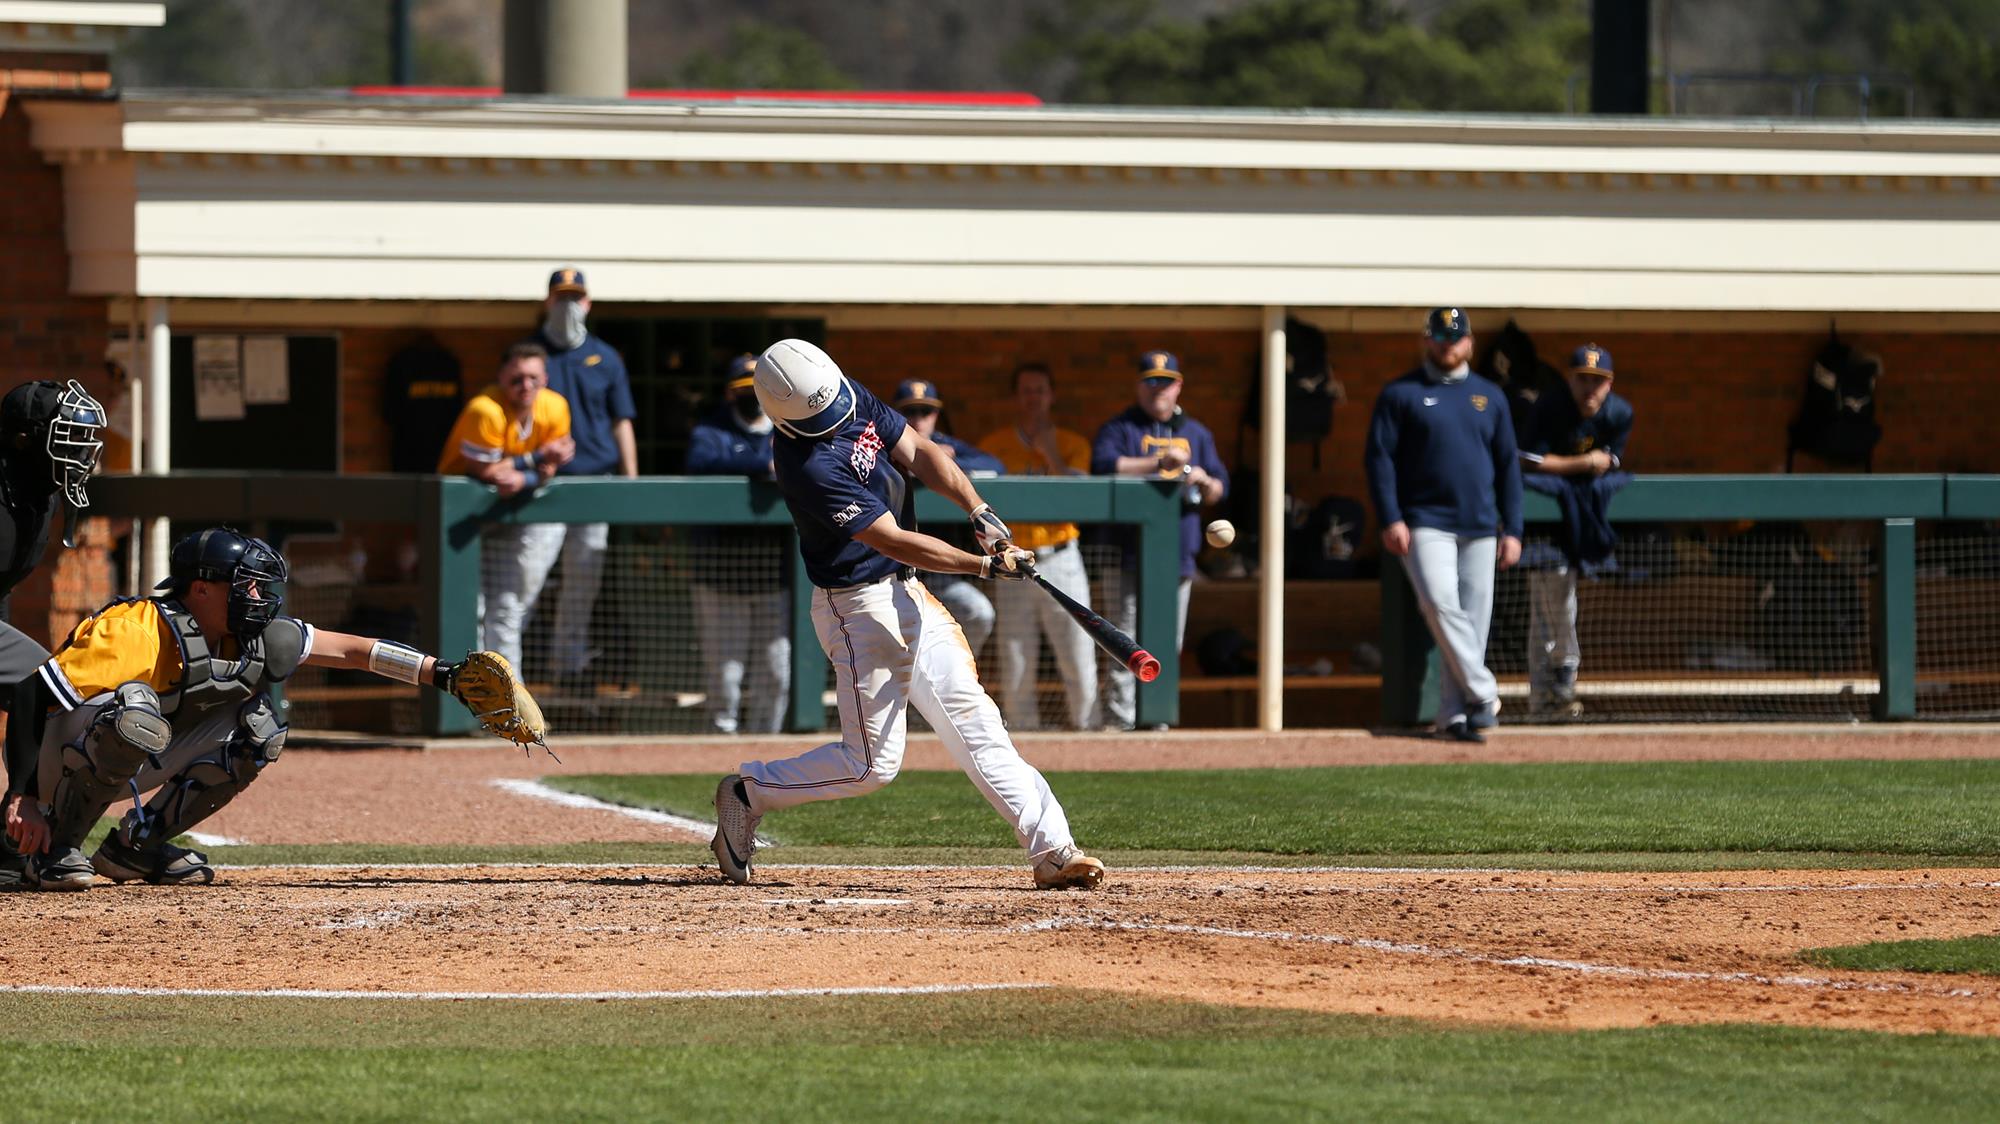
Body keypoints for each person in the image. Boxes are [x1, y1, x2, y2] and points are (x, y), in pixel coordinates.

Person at [708, 339, 1103, 892]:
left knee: (980, 726)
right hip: (857, 609)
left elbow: (919, 450)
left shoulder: (841, 395)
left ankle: (1054, 852)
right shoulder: (806, 465)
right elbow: (895, 540)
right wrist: (983, 567)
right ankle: (750, 791)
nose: (837, 415)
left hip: (908, 594)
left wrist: (978, 509)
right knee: (871, 766)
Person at [1, 527, 521, 889]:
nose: (257, 594)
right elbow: (30, 695)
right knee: (135, 710)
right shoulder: (138, 628)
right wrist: (21, 797)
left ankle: (135, 848)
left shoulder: (248, 637)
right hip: (56, 760)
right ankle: (54, 850)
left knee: (258, 728)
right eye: (243, 583)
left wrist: (442, 673)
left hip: (121, 754)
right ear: (200, 589)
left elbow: (353, 651)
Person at [1364, 308, 1524, 743]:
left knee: (1473, 622)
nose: (1447, 344)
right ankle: (1484, 691)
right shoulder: (1401, 394)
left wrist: (1514, 530)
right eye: (1439, 337)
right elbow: (1379, 460)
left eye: (1455, 337)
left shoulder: (1490, 396)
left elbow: (1508, 465)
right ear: (1426, 341)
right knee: (1438, 603)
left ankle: (1453, 715)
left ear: (1470, 342)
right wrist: (1391, 516)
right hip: (1424, 521)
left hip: (1480, 523)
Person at [1091, 351, 1228, 731]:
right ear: (1139, 386)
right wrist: (1160, 464)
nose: (1158, 390)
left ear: (1178, 386)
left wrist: (1201, 478)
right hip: (1125, 553)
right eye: (1150, 382)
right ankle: (1120, 720)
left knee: (1169, 639)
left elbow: (1220, 487)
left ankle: (1156, 718)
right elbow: (1104, 465)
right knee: (1123, 634)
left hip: (1176, 555)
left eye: (1165, 382)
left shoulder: (1197, 433)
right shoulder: (1121, 428)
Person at [437, 342, 574, 672]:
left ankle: (507, 696)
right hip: (463, 519)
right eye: (516, 378)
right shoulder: (485, 409)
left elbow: (550, 467)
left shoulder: (554, 406)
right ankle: (464, 688)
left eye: (533, 378)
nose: (525, 386)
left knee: (508, 608)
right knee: (470, 608)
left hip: (514, 516)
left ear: (545, 379)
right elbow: (487, 472)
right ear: (501, 377)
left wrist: (525, 476)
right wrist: (538, 459)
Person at [978, 362, 1099, 730]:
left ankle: (1090, 733)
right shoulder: (994, 445)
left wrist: (1052, 455)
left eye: (1040, 390)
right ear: (1017, 396)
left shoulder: (1073, 443)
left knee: (1077, 651)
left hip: (1061, 556)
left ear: (1052, 396)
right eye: (1027, 390)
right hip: (1013, 562)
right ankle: (1023, 735)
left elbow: (1083, 499)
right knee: (1016, 656)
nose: (1033, 397)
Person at [1519, 343, 1635, 719]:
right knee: (1546, 598)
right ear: (1569, 379)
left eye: (1598, 381)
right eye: (1583, 379)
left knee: (1561, 601)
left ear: (1610, 383)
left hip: (1585, 518)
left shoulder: (1619, 412)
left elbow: (1611, 464)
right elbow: (1531, 462)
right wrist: (1584, 462)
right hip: (1544, 519)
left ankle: (1561, 684)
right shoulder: (1549, 407)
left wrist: (1580, 466)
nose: (1590, 388)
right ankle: (1545, 695)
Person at [535, 267, 638, 687]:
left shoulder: (606, 356)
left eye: (574, 298)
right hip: (543, 486)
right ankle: (508, 667)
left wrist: (632, 483)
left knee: (584, 580)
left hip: (596, 483)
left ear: (588, 304)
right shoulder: (531, 356)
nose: (568, 306)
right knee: (530, 579)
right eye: (560, 297)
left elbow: (622, 421)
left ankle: (567, 666)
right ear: (547, 302)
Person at [684, 355, 790, 734]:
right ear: (730, 395)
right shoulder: (712, 431)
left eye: (758, 392)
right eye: (744, 392)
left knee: (776, 672)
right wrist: (763, 466)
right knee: (725, 676)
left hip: (775, 576)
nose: (751, 399)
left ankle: (768, 745)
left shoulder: (787, 427)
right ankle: (720, 750)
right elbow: (700, 460)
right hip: (720, 575)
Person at [892, 378, 1000, 658]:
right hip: (890, 570)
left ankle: (953, 663)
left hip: (941, 570)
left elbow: (994, 465)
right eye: (910, 412)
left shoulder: (944, 445)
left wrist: (944, 462)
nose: (917, 420)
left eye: (925, 412)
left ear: (936, 415)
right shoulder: (884, 445)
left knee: (978, 612)